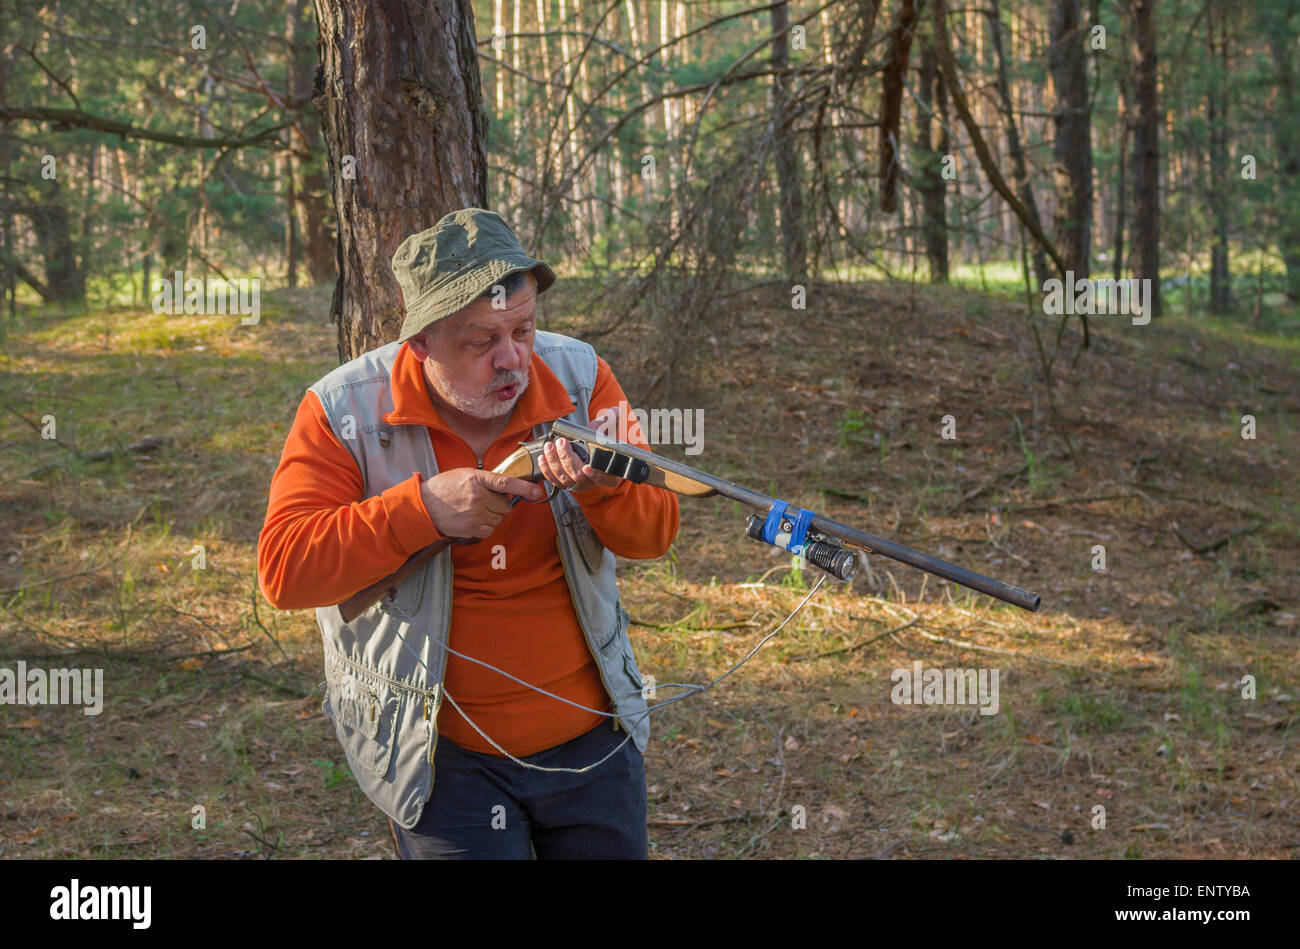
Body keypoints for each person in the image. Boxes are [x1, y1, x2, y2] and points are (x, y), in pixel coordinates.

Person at [257, 208, 679, 858]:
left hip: (594, 740)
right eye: (480, 341)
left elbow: (656, 533)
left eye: (523, 328)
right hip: (440, 757)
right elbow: (285, 570)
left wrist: (604, 488)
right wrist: (420, 509)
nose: (512, 358)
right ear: (420, 341)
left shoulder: (581, 378)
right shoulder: (343, 410)